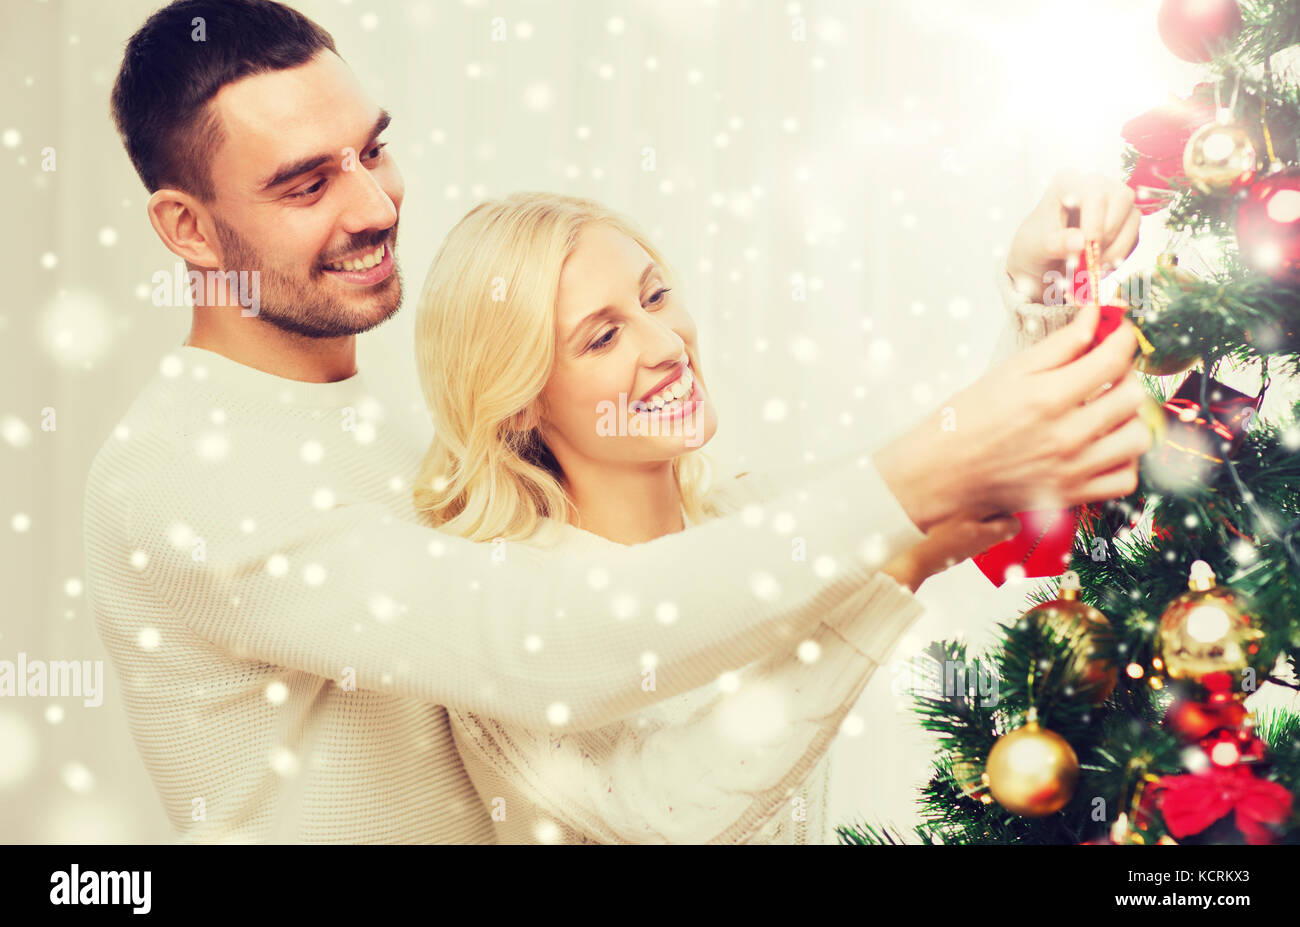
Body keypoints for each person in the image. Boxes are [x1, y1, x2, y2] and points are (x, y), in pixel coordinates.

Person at [84, 0, 1149, 843]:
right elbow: (547, 647)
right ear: (186, 225)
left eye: (372, 150)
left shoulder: (400, 429)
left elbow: (686, 576)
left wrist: (1047, 298)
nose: (371, 207)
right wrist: (902, 504)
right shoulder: (186, 474)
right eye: (305, 183)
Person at [417, 192, 1039, 844]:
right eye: (603, 336)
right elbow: (669, 813)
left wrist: (1043, 289)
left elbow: (953, 457)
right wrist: (896, 572)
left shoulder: (750, 523)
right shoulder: (505, 620)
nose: (666, 346)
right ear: (517, 401)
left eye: (655, 297)